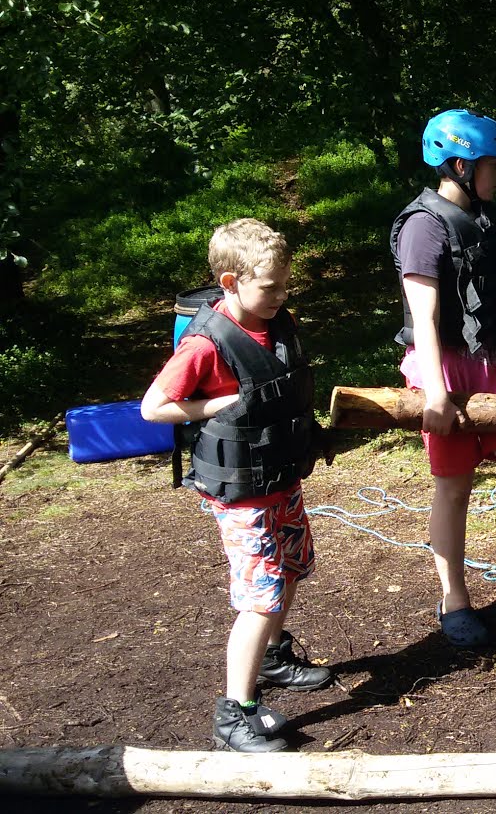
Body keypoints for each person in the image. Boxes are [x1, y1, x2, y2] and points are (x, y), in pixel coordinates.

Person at [141, 218, 334, 753]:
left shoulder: (277, 325)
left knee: (293, 568)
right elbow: (153, 407)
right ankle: (235, 713)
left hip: (280, 481)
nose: (280, 295)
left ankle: (271, 659)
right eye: (269, 287)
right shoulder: (206, 343)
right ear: (230, 282)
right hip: (241, 496)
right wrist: (216, 405)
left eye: (285, 285)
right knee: (260, 597)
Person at [391, 109, 496, 648]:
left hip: (495, 366)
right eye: (492, 166)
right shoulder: (422, 227)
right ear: (459, 165)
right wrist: (434, 391)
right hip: (444, 368)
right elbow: (424, 317)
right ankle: (454, 597)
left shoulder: (486, 218)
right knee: (453, 488)